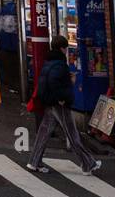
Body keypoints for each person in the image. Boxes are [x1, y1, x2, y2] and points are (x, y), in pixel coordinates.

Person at [27, 35, 101, 175]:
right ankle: (88, 164)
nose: (67, 50)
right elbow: (55, 83)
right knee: (72, 134)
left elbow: (49, 81)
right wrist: (63, 96)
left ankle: (34, 161)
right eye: (66, 48)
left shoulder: (49, 62)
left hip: (50, 102)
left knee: (43, 133)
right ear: (62, 48)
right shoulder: (60, 64)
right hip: (59, 103)